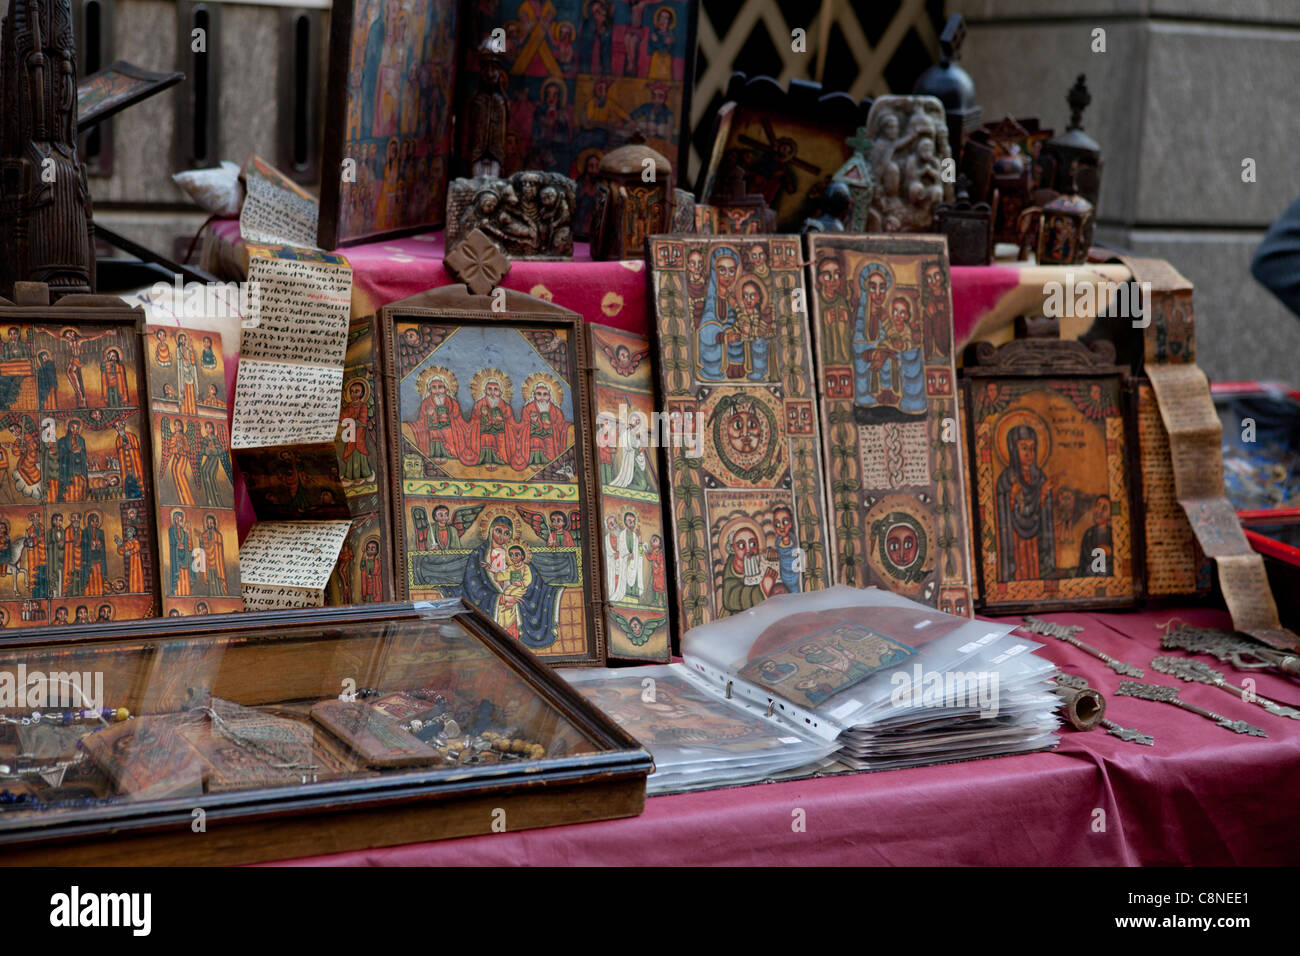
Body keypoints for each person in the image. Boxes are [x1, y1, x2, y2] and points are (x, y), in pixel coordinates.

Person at [995, 425, 1055, 582]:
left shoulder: (1039, 477)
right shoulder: (1006, 478)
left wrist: (1043, 495)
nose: (1029, 454)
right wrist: (1012, 495)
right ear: (1013, 450)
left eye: (1032, 448)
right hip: (1014, 538)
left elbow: (1043, 514)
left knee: (1034, 567)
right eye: (1024, 448)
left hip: (1035, 537)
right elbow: (1001, 511)